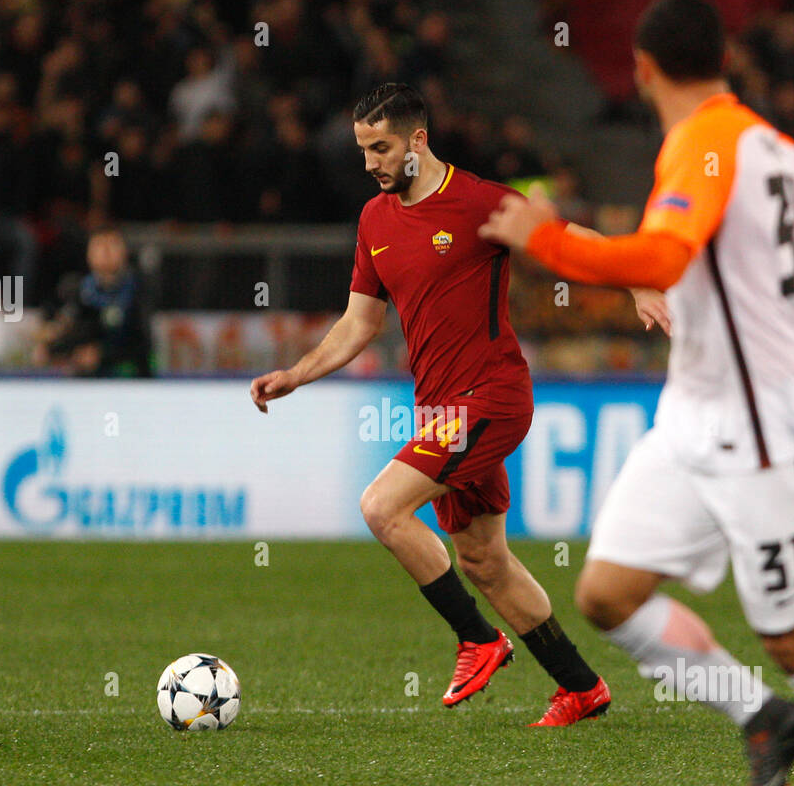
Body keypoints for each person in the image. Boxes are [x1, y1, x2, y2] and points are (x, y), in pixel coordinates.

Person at [480, 0, 794, 786]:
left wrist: (550, 238)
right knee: (606, 592)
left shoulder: (707, 142)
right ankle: (761, 718)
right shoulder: (768, 143)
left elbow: (664, 255)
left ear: (641, 67)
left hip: (770, 433)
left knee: (793, 635)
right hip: (693, 416)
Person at [251, 83, 610, 726]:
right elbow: (359, 323)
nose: (371, 162)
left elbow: (563, 235)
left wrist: (637, 278)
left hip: (493, 396)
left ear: (418, 139)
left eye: (381, 147)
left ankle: (478, 640)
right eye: (364, 149)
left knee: (381, 506)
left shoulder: (475, 200)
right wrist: (298, 374)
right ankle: (579, 687)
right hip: (439, 411)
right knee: (482, 558)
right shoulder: (375, 220)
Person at [35, 228, 151, 377]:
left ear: (124, 252)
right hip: (86, 381)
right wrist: (52, 348)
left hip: (130, 380)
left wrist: (101, 356)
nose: (106, 252)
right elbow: (71, 330)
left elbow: (145, 343)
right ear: (89, 253)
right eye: (99, 246)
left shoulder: (139, 288)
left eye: (112, 245)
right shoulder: (77, 289)